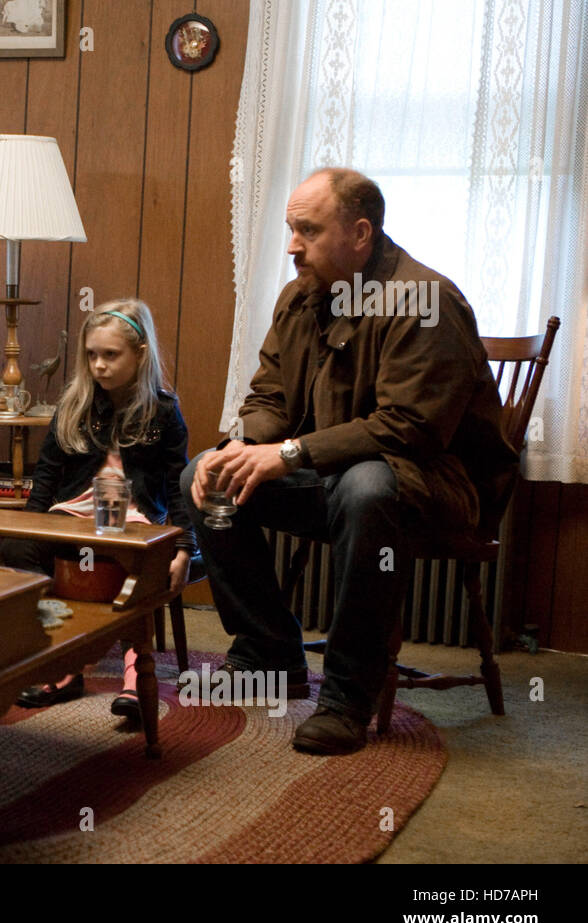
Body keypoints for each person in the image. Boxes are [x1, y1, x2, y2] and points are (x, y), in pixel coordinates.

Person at [183, 168, 517, 755]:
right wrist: (241, 446)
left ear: (360, 233)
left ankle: (344, 696)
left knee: (368, 486)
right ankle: (269, 652)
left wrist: (290, 453)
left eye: (307, 230)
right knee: (205, 474)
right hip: (337, 475)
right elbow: (270, 399)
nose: (292, 246)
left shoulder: (426, 302)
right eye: (290, 230)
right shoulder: (301, 297)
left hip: (435, 489)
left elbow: (408, 428)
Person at [3, 300, 198, 718]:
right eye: (92, 355)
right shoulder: (74, 405)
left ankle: (134, 670)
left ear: (140, 354)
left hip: (137, 516)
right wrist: (30, 530)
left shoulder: (163, 411)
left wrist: (183, 546)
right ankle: (62, 662)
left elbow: (179, 486)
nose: (99, 365)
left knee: (138, 557)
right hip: (74, 511)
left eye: (111, 355)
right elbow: (47, 479)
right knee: (18, 548)